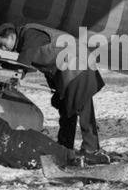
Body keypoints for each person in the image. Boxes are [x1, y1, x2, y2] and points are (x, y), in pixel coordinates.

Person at [19, 23, 107, 162]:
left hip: (77, 65)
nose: (5, 47)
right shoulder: (30, 39)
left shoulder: (28, 34)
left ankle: (90, 149)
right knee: (68, 109)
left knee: (82, 109)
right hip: (72, 67)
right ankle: (65, 148)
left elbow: (23, 62)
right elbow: (50, 64)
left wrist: (16, 74)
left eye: (4, 43)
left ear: (11, 35)